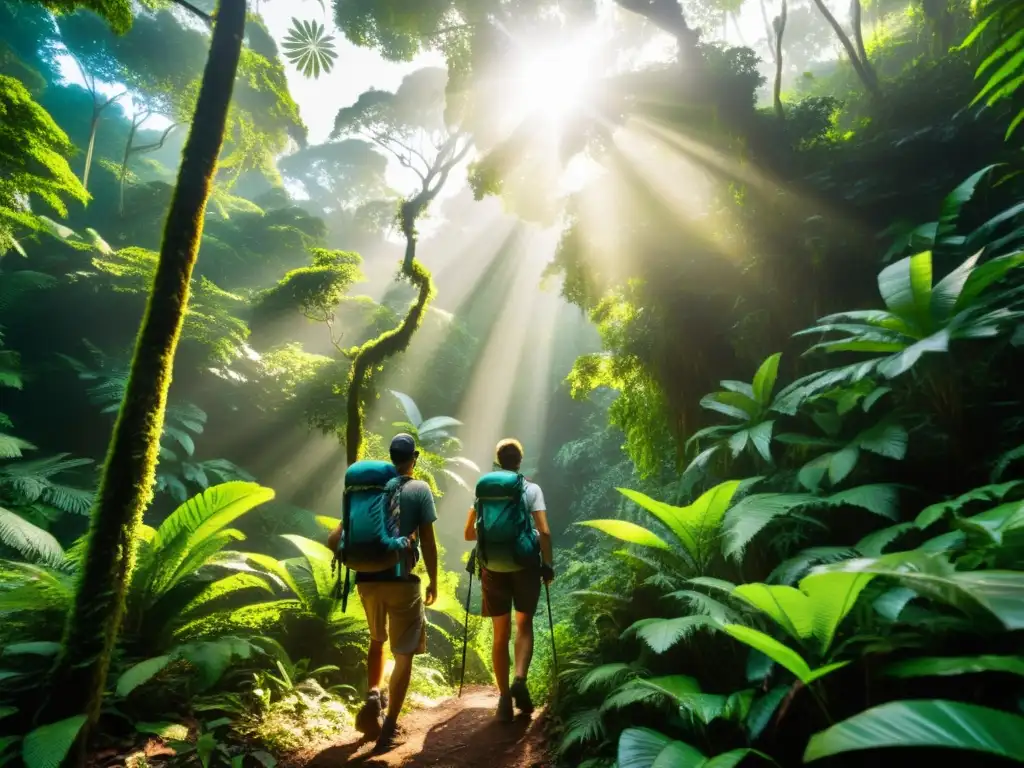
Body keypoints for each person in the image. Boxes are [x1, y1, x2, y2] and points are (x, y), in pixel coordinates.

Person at [327, 433, 438, 752]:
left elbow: (336, 537)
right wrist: (433, 580)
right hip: (401, 581)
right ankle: (389, 728)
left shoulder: (367, 491)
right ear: (413, 458)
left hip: (366, 579)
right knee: (404, 653)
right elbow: (427, 541)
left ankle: (373, 693)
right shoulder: (418, 489)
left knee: (377, 640)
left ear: (391, 456)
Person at [463, 438, 554, 721]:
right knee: (523, 624)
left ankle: (503, 699)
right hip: (525, 566)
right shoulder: (531, 489)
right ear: (519, 461)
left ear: (499, 460)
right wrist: (547, 565)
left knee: (500, 634)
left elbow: (468, 533)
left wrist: (494, 537)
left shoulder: (485, 490)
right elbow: (545, 532)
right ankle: (520, 680)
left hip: (492, 567)